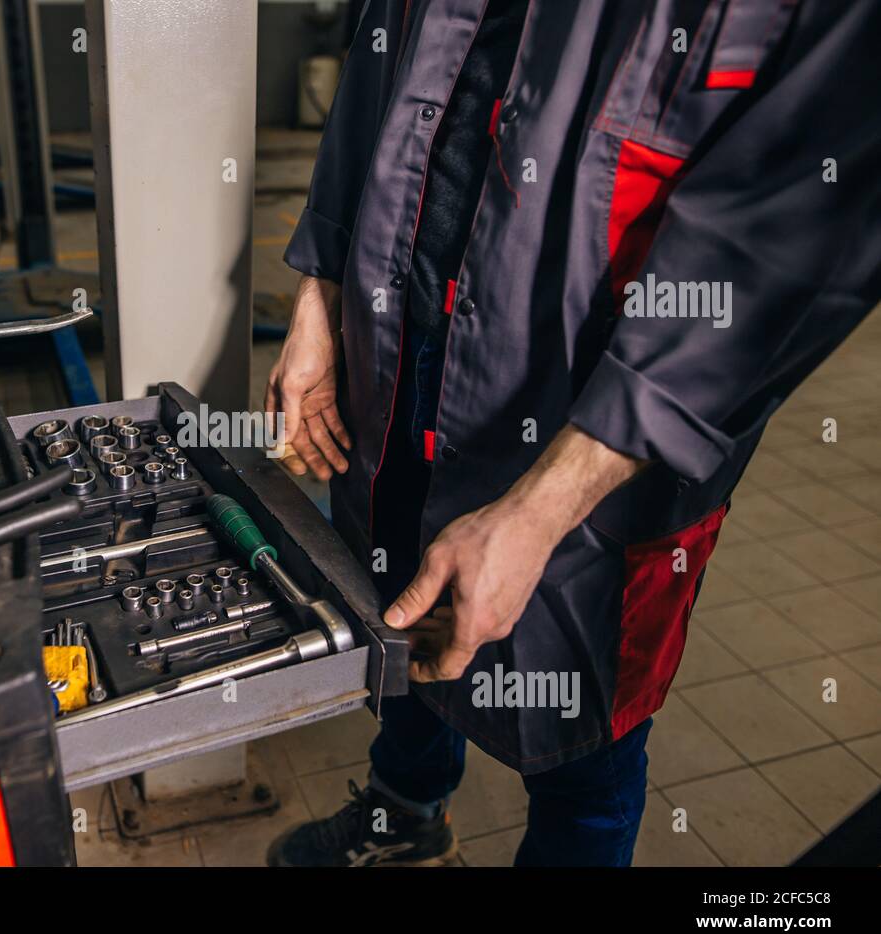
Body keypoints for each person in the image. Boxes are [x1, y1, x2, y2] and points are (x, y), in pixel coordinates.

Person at [263, 0, 880, 866]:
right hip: (396, 354)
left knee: (581, 734)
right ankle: (405, 813)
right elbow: (377, 69)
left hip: (595, 427)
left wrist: (545, 505)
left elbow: (787, 235)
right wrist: (319, 299)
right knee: (397, 619)